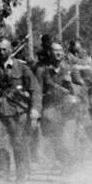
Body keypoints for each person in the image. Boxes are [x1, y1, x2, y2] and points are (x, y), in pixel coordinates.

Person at [0, 36, 41, 184]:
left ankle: (20, 178)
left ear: (11, 50)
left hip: (18, 112)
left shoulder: (21, 67)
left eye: (4, 49)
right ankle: (2, 178)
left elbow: (35, 89)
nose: (1, 52)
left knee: (19, 144)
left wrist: (35, 109)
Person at [35, 41, 83, 173]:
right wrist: (37, 110)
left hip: (68, 106)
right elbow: (38, 90)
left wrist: (72, 89)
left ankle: (69, 164)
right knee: (55, 137)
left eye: (60, 50)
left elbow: (80, 86)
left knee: (67, 137)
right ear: (49, 52)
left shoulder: (69, 68)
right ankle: (62, 162)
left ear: (63, 52)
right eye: (54, 50)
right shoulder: (42, 69)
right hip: (50, 106)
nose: (58, 53)